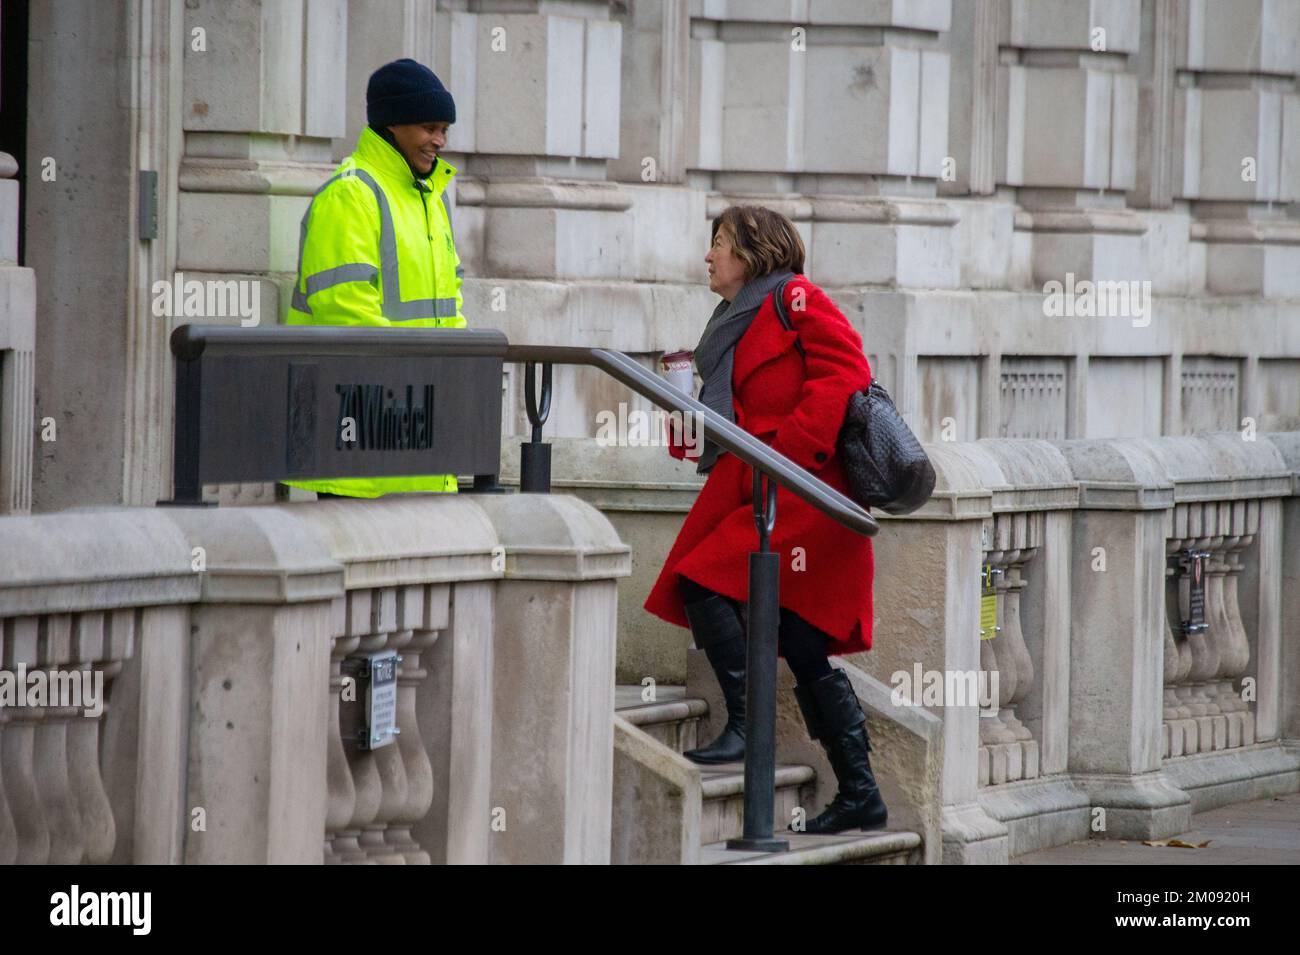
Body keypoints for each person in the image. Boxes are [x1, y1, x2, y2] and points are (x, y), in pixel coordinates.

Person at [643, 205, 887, 834]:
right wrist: (687, 425)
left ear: (753, 252)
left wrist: (787, 460)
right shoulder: (731, 319)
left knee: (702, 577)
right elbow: (729, 417)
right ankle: (861, 792)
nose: (708, 257)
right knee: (803, 641)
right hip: (757, 481)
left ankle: (746, 728)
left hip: (804, 485)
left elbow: (846, 373)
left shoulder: (796, 298)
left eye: (719, 244)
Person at [283, 58, 466, 499]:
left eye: (444, 129)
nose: (439, 141)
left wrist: (459, 383)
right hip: (362, 435)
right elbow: (346, 314)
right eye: (429, 127)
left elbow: (451, 305)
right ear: (392, 125)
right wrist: (417, 398)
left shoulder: (429, 199)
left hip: (416, 429)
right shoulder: (351, 193)